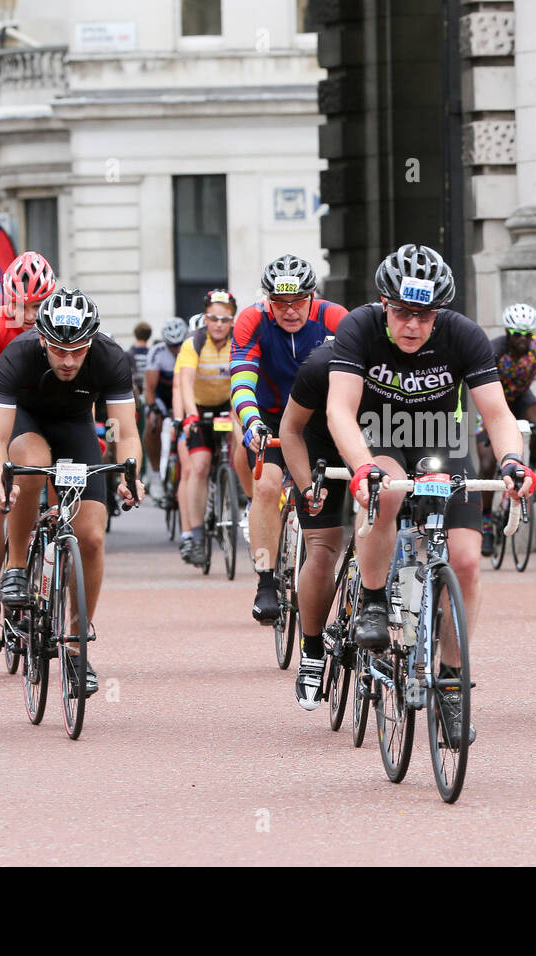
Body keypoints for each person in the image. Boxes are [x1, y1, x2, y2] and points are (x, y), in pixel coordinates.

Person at [327, 244, 534, 740]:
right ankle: (374, 601)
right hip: (379, 433)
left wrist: (511, 459)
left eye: (423, 315)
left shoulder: (464, 336)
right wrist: (360, 468)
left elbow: (497, 412)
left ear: (439, 312)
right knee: (388, 493)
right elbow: (339, 408)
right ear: (383, 304)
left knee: (464, 561)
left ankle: (451, 682)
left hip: (443, 439)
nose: (412, 326)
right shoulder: (357, 328)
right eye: (401, 312)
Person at [0, 289, 144, 696]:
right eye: (59, 350)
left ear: (91, 341)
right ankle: (17, 565)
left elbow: (126, 433)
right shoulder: (17, 356)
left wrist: (130, 476)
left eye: (78, 350)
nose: (69, 361)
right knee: (33, 463)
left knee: (91, 536)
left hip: (75, 427)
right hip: (26, 422)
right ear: (42, 340)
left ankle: (76, 648)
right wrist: (0, 482)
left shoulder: (110, 357)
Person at [233, 254, 347, 623]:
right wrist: (250, 422)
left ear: (313, 296)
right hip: (269, 415)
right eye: (279, 303)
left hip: (319, 417)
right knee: (266, 485)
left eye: (298, 301)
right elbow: (241, 378)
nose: (290, 310)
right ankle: (265, 580)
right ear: (267, 300)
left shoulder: (334, 318)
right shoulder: (252, 319)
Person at [0, 250, 57, 655]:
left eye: (38, 306)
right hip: (5, 419)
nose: (29, 315)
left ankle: (58, 601)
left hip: (54, 418)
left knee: (65, 503)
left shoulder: (63, 319)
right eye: (21, 305)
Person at [278, 337, 350, 710]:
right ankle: (311, 650)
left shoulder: (407, 366)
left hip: (382, 441)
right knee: (322, 549)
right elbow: (289, 430)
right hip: (322, 446)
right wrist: (307, 486)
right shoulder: (319, 366)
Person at [475, 302, 536, 556]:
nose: (523, 340)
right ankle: (486, 520)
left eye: (527, 335)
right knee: (487, 464)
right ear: (509, 332)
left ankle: (528, 472)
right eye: (518, 335)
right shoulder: (494, 350)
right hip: (494, 402)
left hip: (521, 398)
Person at [173, 290, 236, 566]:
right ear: (206, 319)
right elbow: (185, 383)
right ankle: (196, 535)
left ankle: (236, 501)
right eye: (213, 318)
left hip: (227, 406)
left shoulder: (239, 342)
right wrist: (189, 416)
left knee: (242, 451)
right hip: (200, 408)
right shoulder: (193, 343)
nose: (219, 324)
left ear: (232, 320)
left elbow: (243, 379)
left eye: (225, 319)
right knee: (198, 466)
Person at [143, 317, 188, 491]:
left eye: (179, 344)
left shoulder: (191, 348)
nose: (176, 348)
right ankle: (155, 475)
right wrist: (153, 408)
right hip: (162, 395)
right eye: (172, 345)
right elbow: (150, 389)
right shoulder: (157, 352)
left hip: (183, 393)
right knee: (153, 424)